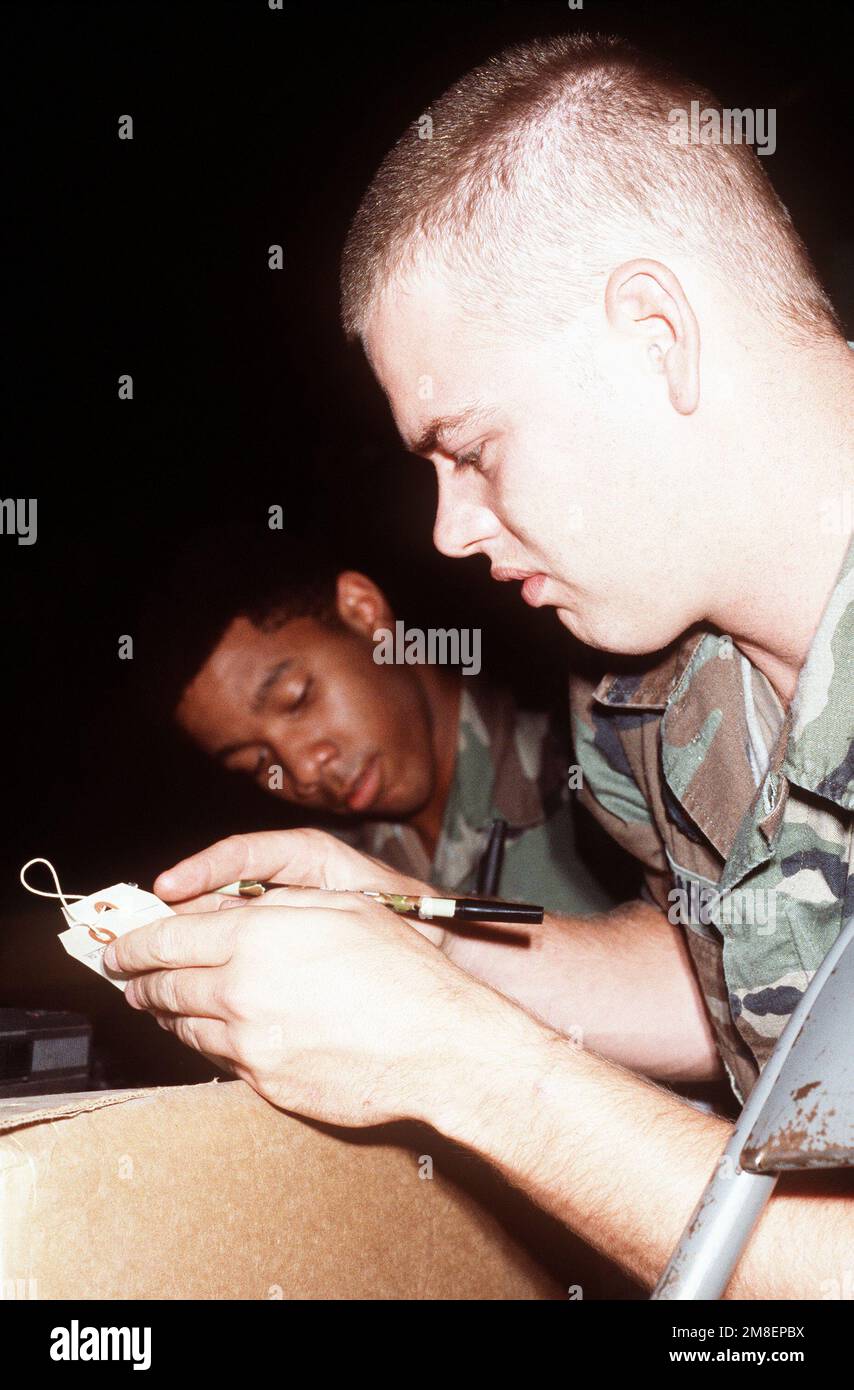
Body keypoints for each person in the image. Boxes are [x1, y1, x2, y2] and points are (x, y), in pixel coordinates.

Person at [108, 36, 853, 1296]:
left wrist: (466, 1066)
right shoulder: (656, 687)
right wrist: (412, 937)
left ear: (651, 334)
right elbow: (728, 980)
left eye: (470, 448)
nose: (447, 529)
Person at [144, 528, 623, 913]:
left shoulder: (610, 787)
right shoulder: (324, 891)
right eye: (255, 761)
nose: (305, 772)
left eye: (297, 700)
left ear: (362, 611)